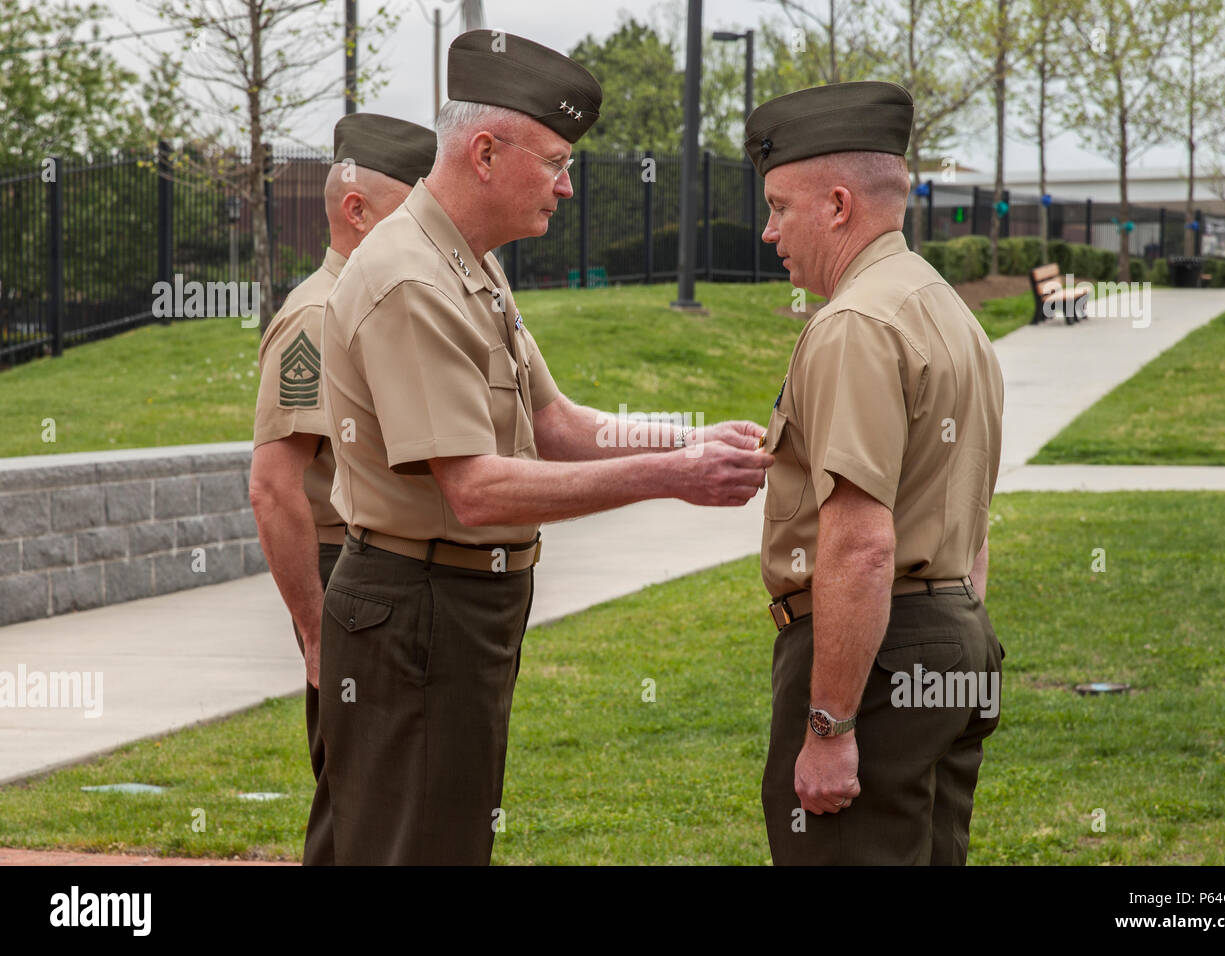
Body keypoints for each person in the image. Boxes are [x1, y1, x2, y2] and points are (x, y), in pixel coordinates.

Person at [317, 29, 772, 866]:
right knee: (412, 847)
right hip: (419, 605)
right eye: (556, 161)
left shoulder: (467, 262)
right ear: (485, 151)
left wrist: (688, 438)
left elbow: (553, 421)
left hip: (452, 606)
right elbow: (477, 492)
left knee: (429, 840)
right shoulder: (413, 277)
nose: (567, 186)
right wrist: (671, 475)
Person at [743, 81, 1006, 865]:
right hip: (953, 632)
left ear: (835, 204)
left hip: (879, 655)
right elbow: (973, 510)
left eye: (779, 208)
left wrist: (830, 727)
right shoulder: (945, 308)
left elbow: (860, 544)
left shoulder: (856, 323)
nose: (767, 232)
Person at [249, 113, 438, 866]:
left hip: (387, 577)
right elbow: (273, 487)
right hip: (346, 574)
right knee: (359, 800)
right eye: (411, 208)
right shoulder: (318, 317)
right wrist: (315, 632)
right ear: (355, 209)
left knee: (395, 800)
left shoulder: (380, 302)